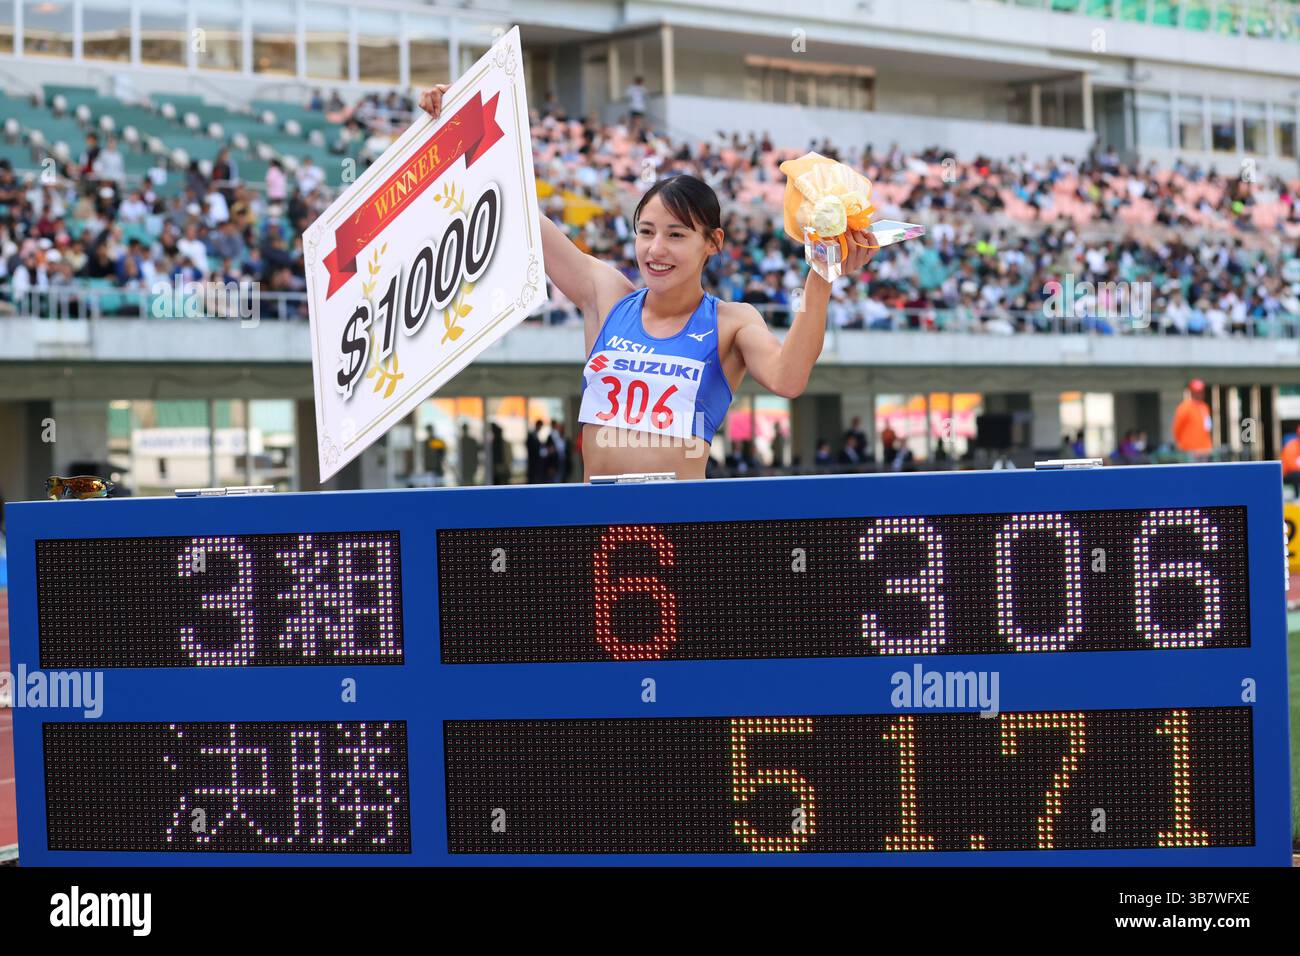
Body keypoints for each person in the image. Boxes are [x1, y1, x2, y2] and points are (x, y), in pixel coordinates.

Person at [417, 84, 880, 481]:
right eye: (646, 232)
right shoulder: (606, 294)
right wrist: (455, 127)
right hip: (596, 530)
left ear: (713, 242)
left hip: (679, 529)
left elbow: (789, 377)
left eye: (676, 235)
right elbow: (518, 214)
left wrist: (820, 276)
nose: (656, 249)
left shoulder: (732, 322)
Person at [1172, 378, 1214, 460]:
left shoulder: (1204, 407)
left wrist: (1208, 446)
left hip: (1204, 450)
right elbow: (1177, 428)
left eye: (1201, 392)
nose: (1199, 394)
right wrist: (1181, 444)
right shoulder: (1184, 407)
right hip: (1189, 450)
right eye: (1197, 392)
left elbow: (1207, 428)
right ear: (1191, 392)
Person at [1281, 425, 1300, 497]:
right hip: (1287, 474)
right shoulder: (1291, 445)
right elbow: (1291, 466)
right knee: (1296, 474)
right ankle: (1296, 497)